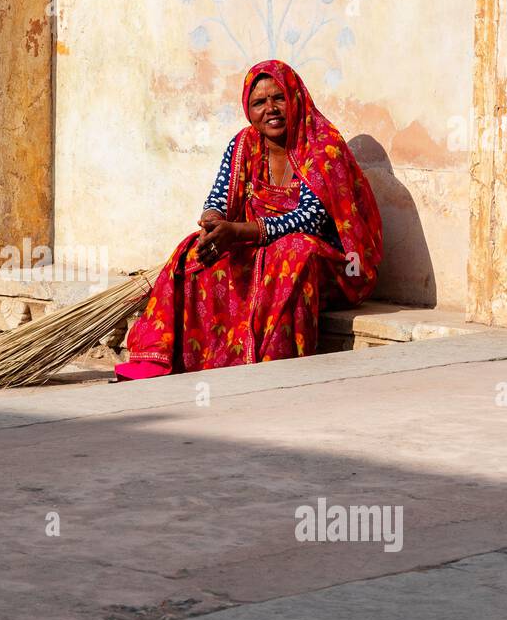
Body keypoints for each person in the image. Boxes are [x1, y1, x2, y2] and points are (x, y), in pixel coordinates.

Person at [113, 59, 383, 380]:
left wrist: (239, 231)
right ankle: (158, 362)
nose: (271, 109)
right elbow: (218, 197)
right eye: (259, 102)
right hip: (261, 250)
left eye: (278, 98)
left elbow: (309, 221)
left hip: (330, 266)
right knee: (192, 252)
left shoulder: (322, 149)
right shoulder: (243, 144)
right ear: (248, 109)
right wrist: (212, 223)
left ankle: (275, 367)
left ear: (295, 97)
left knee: (295, 251)